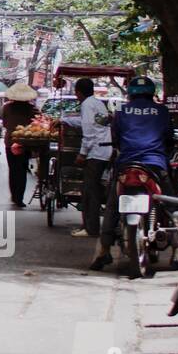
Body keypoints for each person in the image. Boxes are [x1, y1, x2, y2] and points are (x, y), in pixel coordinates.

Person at [89, 75, 173, 271]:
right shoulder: (162, 111)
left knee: (112, 205)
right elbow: (169, 138)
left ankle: (103, 252)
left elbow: (116, 138)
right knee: (172, 203)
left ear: (130, 94)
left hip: (127, 164)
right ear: (152, 93)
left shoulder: (122, 111)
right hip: (155, 164)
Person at [72, 78, 112, 239]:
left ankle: (91, 228)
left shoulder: (87, 105)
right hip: (104, 150)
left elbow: (88, 131)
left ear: (79, 92)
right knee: (94, 190)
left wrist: (82, 153)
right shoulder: (97, 103)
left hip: (95, 152)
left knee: (90, 191)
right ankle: (91, 226)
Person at [1, 82, 38, 207]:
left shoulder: (6, 107)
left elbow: (5, 124)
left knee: (13, 169)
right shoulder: (32, 108)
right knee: (22, 170)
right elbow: (36, 125)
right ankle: (19, 198)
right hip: (24, 142)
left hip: (10, 141)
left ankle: (14, 195)